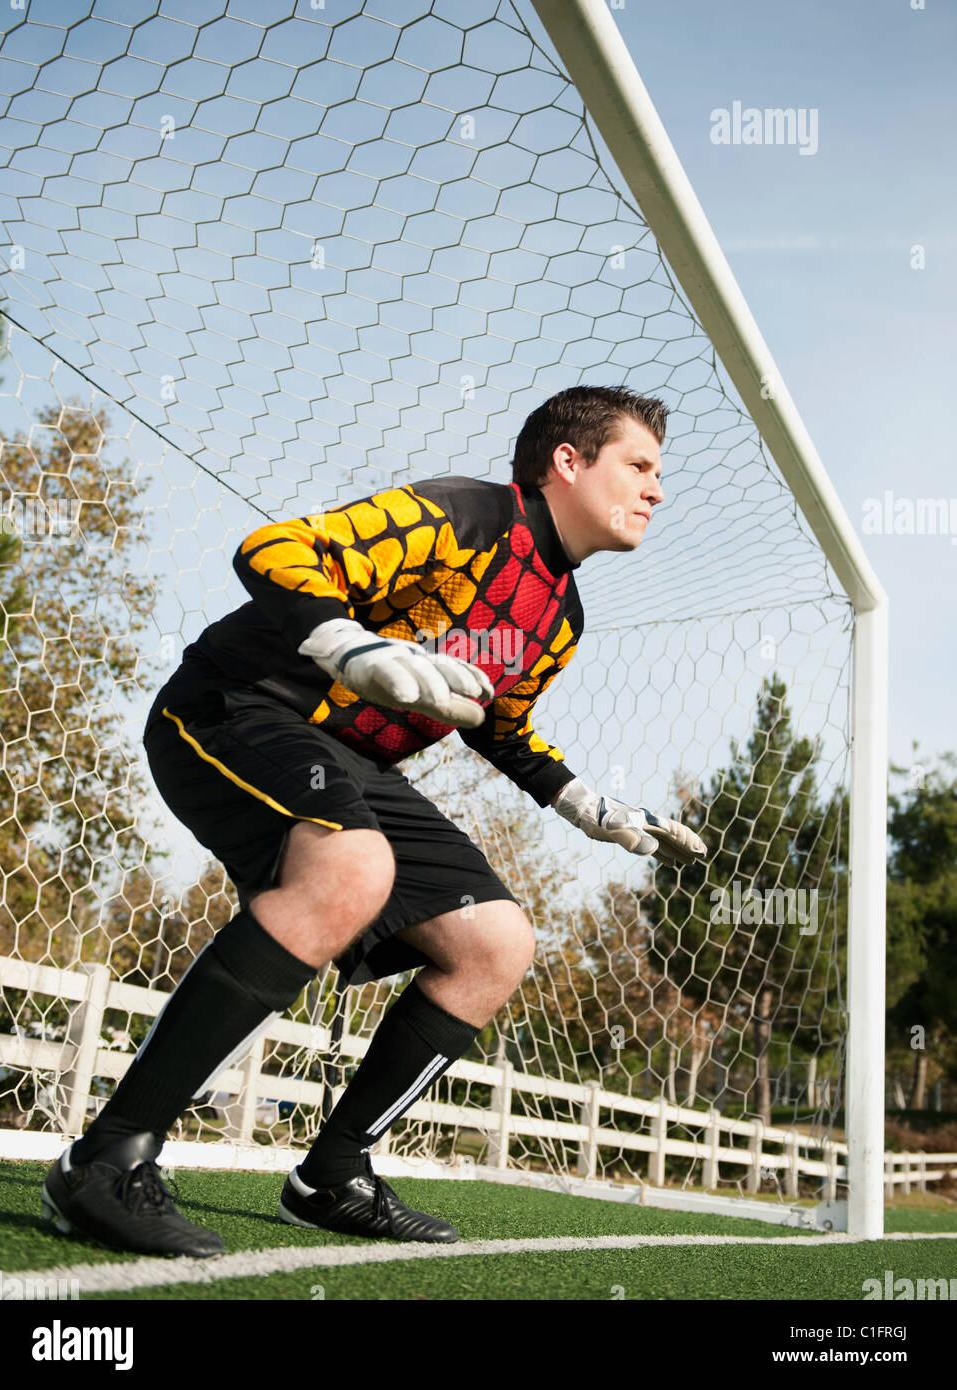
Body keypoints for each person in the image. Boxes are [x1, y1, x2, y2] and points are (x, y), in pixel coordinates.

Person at [41, 384, 706, 1257]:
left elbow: (496, 720)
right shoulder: (465, 514)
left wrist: (585, 803)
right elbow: (275, 548)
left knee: (495, 944)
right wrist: (348, 646)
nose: (657, 490)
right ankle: (105, 1160)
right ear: (567, 462)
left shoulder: (561, 615)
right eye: (640, 465)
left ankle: (332, 1176)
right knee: (352, 870)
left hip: (351, 762)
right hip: (235, 703)